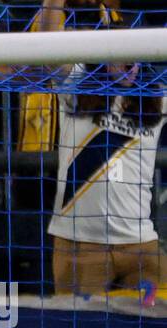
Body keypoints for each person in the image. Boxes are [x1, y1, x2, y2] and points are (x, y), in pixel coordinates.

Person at [38, 0, 167, 295]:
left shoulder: (157, 99)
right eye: (120, 55)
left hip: (140, 245)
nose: (128, 64)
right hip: (81, 246)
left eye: (135, 56)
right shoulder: (75, 88)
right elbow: (47, 44)